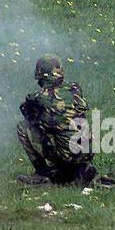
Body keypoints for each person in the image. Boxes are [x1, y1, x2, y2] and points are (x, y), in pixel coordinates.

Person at [16, 55, 100, 186]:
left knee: (23, 127)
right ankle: (79, 170)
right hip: (86, 151)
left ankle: (44, 173)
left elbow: (27, 114)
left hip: (65, 154)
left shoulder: (37, 98)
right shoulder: (75, 89)